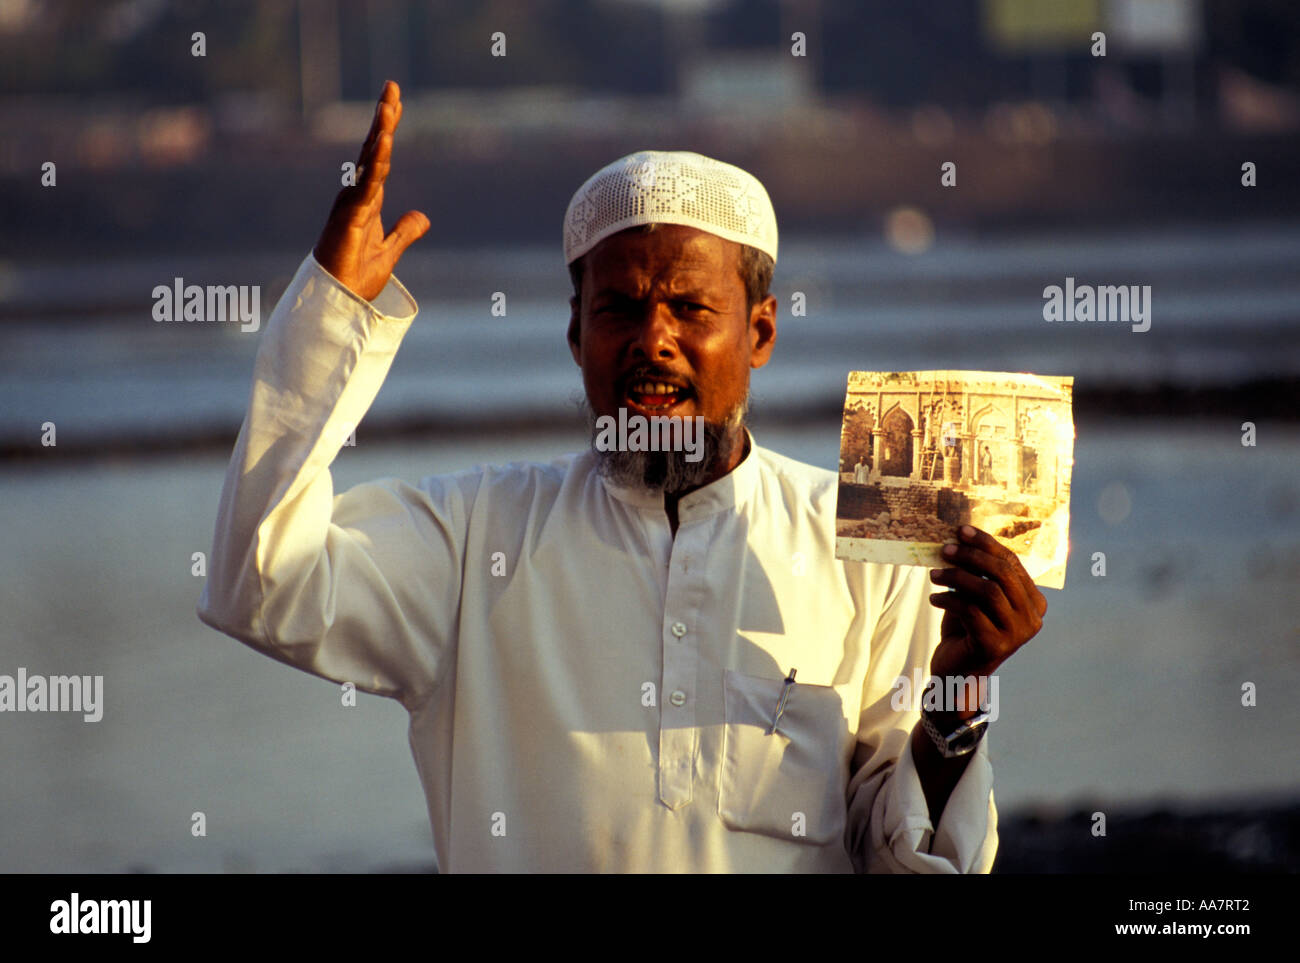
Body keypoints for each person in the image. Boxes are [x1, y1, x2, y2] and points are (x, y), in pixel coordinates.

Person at [198, 81, 1047, 873]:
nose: (654, 338)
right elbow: (259, 583)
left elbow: (903, 855)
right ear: (576, 336)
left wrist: (957, 694)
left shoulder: (859, 544)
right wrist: (326, 320)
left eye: (690, 307)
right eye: (620, 308)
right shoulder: (476, 541)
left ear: (759, 334)